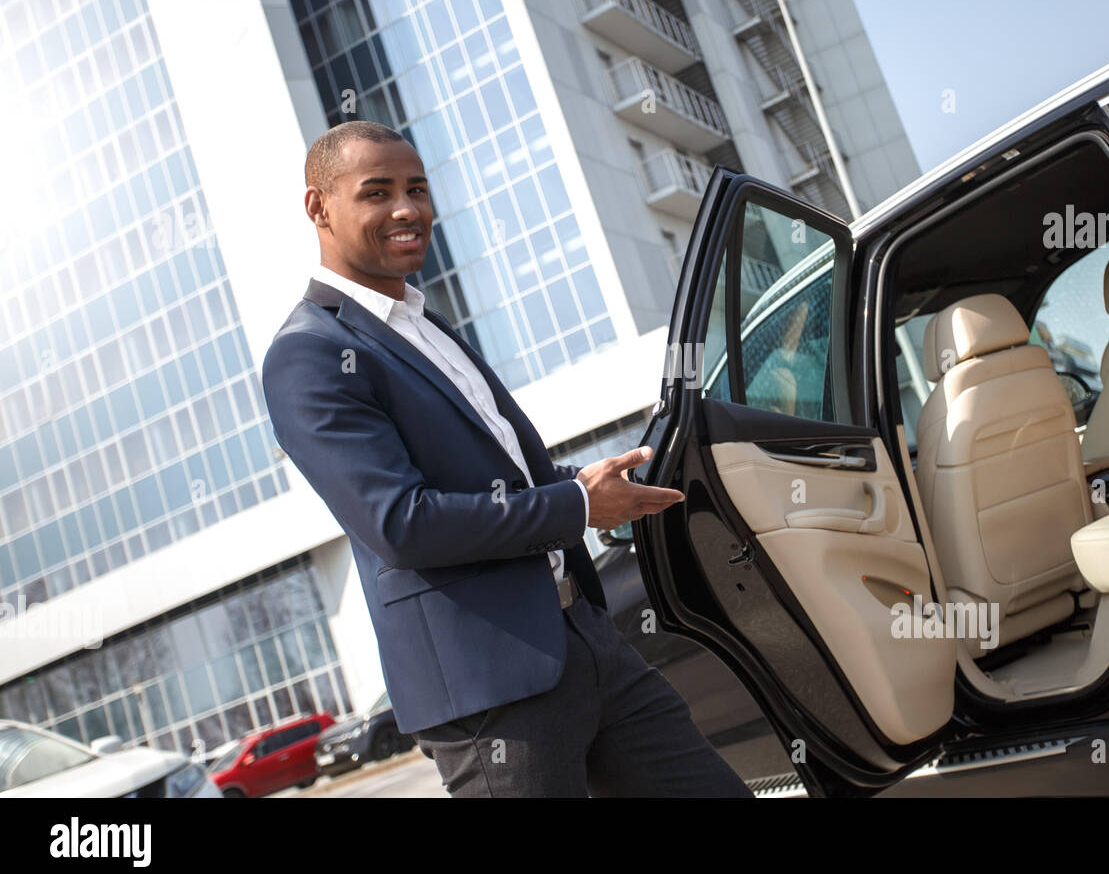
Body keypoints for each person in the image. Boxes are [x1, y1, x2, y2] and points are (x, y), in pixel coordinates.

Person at [261, 120, 753, 797]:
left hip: (586, 637)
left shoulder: (427, 326)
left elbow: (504, 481)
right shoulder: (309, 354)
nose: (407, 209)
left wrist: (594, 484)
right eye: (377, 192)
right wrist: (577, 505)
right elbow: (402, 523)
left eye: (417, 189)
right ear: (318, 206)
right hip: (490, 688)